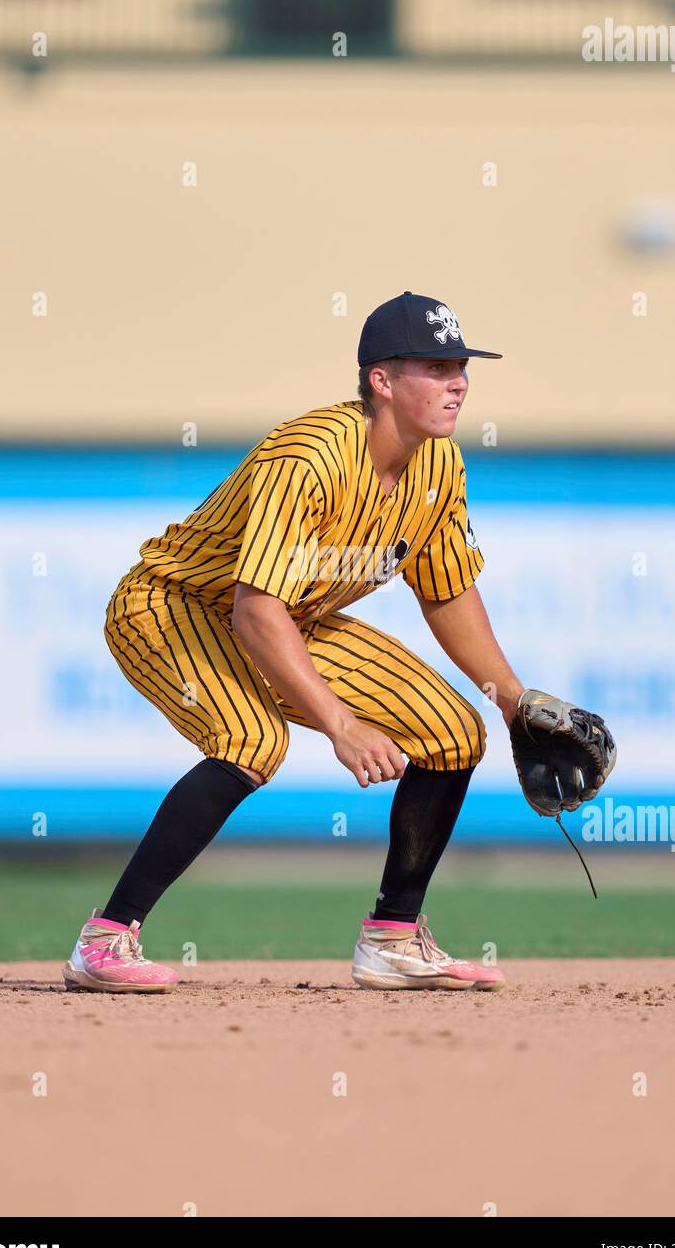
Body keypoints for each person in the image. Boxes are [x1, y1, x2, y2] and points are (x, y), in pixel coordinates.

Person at [62, 291, 597, 995]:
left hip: (297, 617)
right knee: (251, 741)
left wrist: (510, 698)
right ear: (381, 379)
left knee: (453, 732)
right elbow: (255, 610)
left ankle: (393, 939)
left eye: (461, 365)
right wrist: (341, 725)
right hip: (173, 605)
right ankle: (106, 940)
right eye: (436, 366)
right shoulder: (310, 456)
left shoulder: (439, 465)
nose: (458, 380)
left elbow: (446, 591)